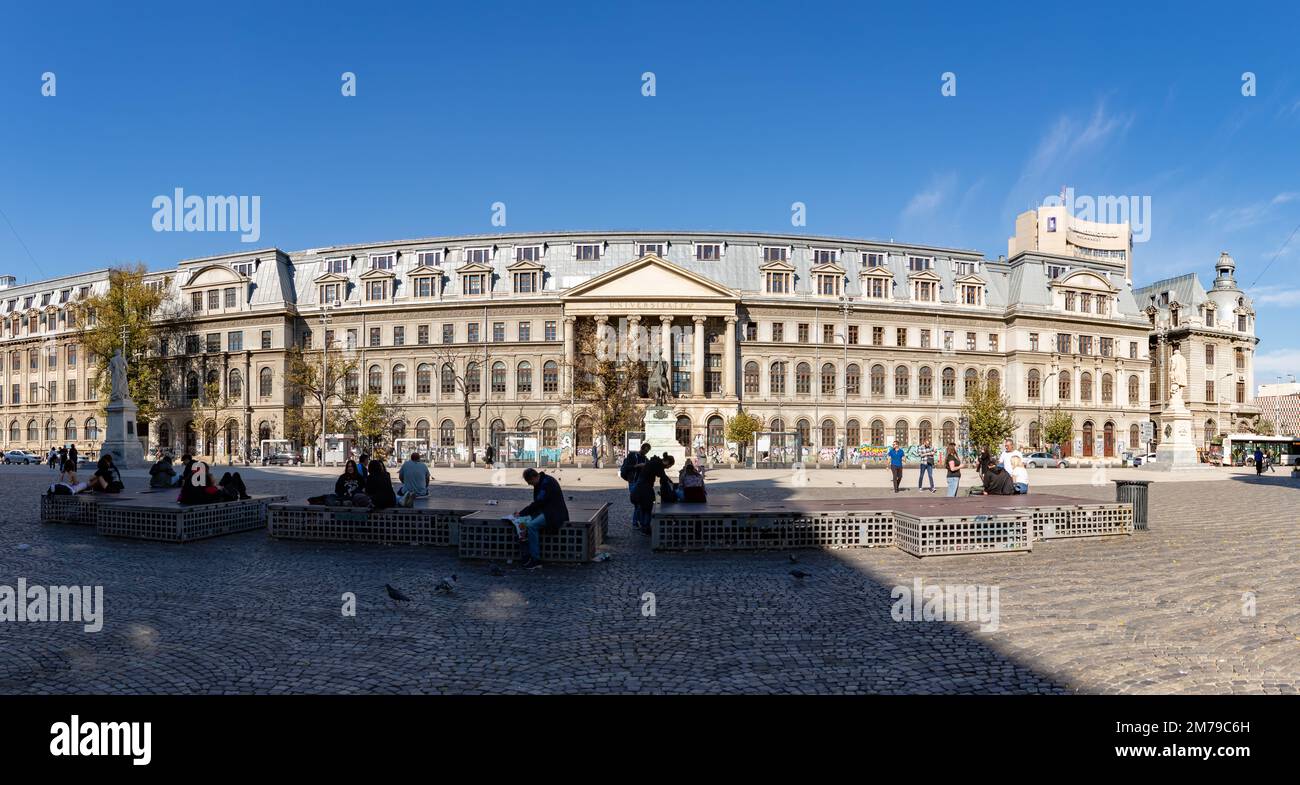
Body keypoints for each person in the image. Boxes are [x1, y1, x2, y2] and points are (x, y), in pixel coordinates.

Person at [515, 468, 569, 570]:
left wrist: (522, 513)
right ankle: (527, 554)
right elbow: (538, 503)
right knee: (526, 522)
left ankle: (536, 560)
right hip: (548, 511)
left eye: (530, 482)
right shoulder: (542, 481)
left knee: (531, 526)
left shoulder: (546, 484)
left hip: (554, 513)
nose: (529, 484)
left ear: (534, 477)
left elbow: (539, 502)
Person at [630, 451, 673, 535]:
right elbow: (663, 477)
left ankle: (644, 526)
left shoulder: (655, 462)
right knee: (647, 507)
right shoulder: (658, 464)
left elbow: (662, 475)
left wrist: (668, 481)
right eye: (669, 466)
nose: (667, 468)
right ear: (667, 462)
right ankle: (645, 528)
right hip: (644, 486)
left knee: (643, 506)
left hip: (643, 485)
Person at [620, 442, 652, 530]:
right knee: (637, 503)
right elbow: (627, 467)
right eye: (644, 450)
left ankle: (638, 522)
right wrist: (637, 466)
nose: (645, 452)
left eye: (647, 451)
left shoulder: (646, 459)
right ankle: (636, 522)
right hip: (633, 482)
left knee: (640, 504)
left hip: (641, 483)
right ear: (641, 448)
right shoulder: (632, 456)